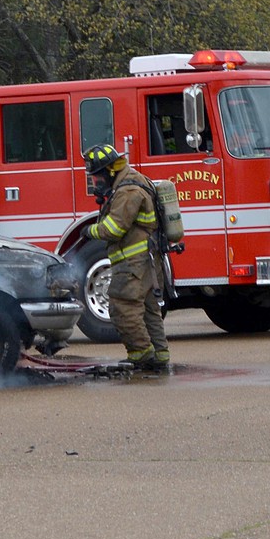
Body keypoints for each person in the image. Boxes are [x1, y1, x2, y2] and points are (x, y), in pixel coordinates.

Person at [83, 144, 170, 371]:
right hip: (147, 261)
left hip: (134, 262)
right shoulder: (131, 181)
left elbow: (113, 230)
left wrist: (89, 231)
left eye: (97, 176)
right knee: (150, 307)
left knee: (122, 306)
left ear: (110, 171)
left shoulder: (127, 191)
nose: (94, 182)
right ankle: (160, 354)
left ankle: (141, 354)